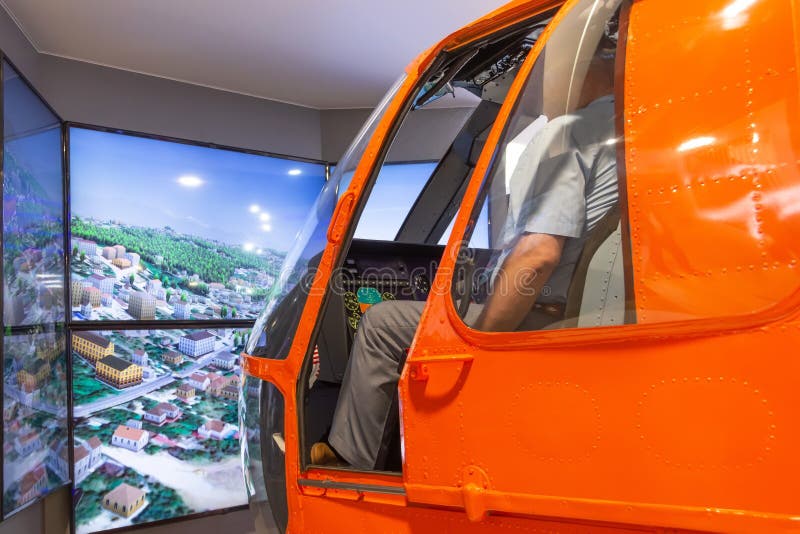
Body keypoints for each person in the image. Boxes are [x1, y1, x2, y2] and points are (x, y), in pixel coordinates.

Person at [312, 31, 620, 470]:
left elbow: (537, 254)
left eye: (546, 66)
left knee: (381, 322)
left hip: (538, 317)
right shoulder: (629, 137)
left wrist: (480, 342)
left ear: (579, 65)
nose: (537, 84)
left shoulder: (567, 133)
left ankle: (350, 459)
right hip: (579, 318)